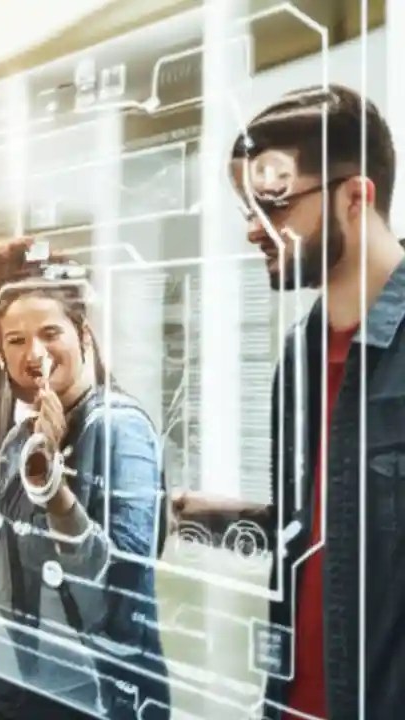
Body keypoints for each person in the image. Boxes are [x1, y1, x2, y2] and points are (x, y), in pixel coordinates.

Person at [0, 240, 169, 719]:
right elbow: (20, 539)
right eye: (14, 340)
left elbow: (118, 585)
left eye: (49, 332)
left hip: (78, 696)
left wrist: (53, 486)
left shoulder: (117, 428)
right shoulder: (22, 435)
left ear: (84, 334)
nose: (33, 354)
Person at [229, 84, 404, 720]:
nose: (254, 229)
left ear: (356, 198)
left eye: (273, 205)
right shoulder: (301, 353)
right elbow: (331, 529)